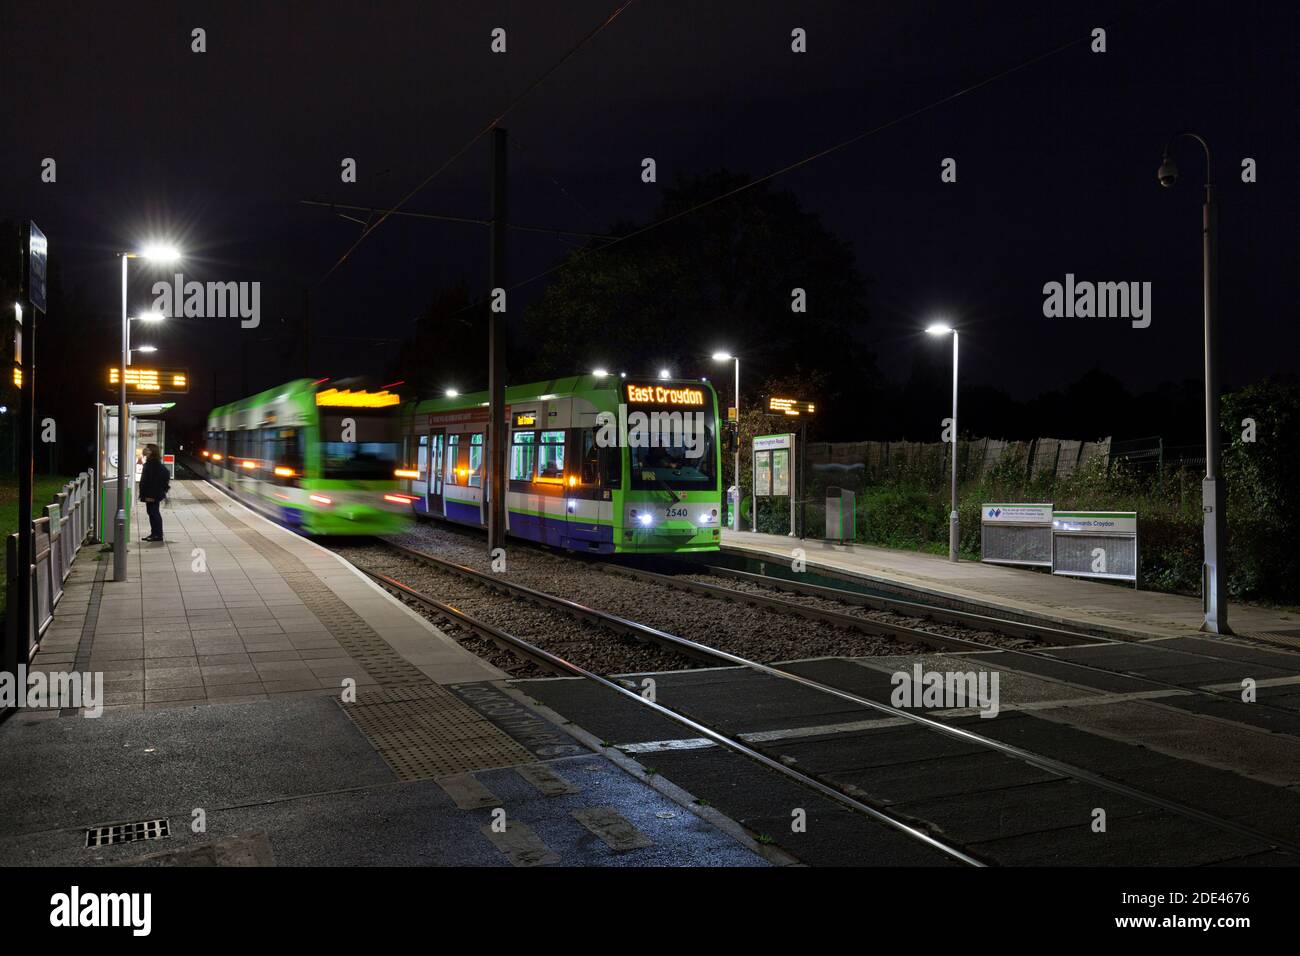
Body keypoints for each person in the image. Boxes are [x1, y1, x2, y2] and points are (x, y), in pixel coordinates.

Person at [139, 444, 170, 542]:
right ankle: (155, 533)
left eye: (147, 449)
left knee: (153, 513)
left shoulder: (153, 464)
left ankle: (157, 534)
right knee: (152, 512)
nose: (145, 450)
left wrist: (156, 491)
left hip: (152, 494)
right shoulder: (152, 463)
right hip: (152, 493)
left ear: (152, 451)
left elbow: (162, 476)